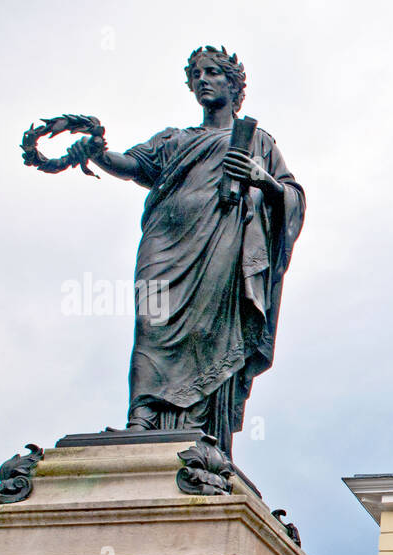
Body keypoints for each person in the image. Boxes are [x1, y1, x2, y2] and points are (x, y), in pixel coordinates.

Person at [68, 45, 304, 456]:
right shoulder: (176, 139)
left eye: (213, 73)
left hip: (222, 245)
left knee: (208, 331)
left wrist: (263, 181)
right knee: (151, 324)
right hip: (165, 243)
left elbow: (292, 196)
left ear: (233, 84)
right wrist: (98, 153)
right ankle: (141, 419)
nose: (203, 80)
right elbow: (132, 165)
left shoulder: (256, 140)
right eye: (196, 75)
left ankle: (198, 426)